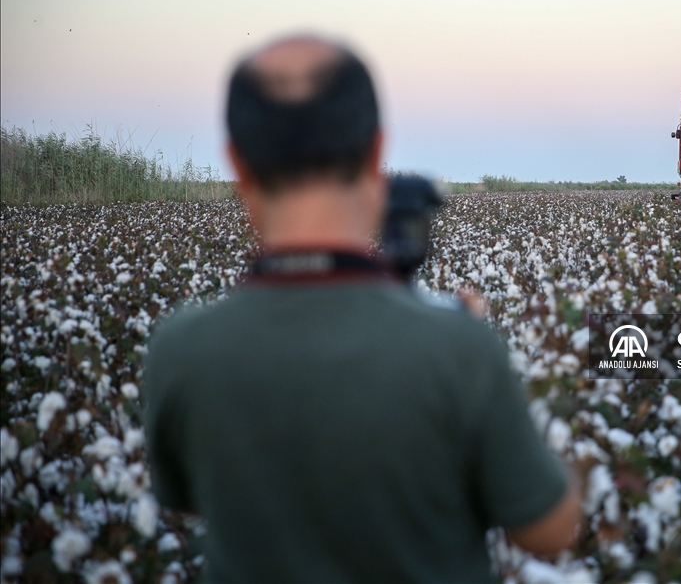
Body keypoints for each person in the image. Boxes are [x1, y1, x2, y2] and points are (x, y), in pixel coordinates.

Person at [143, 34, 581, 582]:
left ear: (238, 164)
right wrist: (483, 366)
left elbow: (185, 500)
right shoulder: (459, 349)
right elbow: (549, 530)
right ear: (377, 152)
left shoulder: (181, 350)